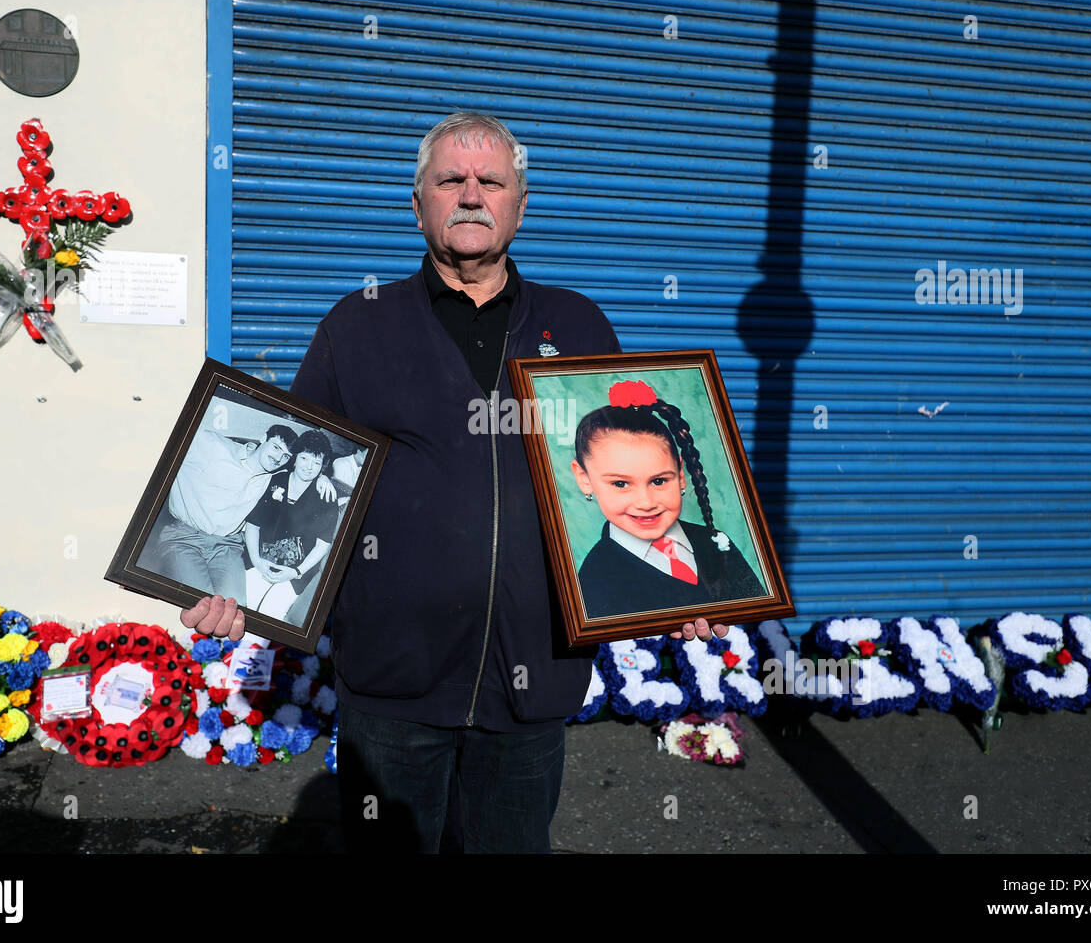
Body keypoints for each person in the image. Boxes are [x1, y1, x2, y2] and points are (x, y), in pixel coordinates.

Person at [181, 111, 727, 853]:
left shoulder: (579, 326)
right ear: (418, 203)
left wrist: (680, 593)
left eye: (491, 182)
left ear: (519, 206)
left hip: (532, 683)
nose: (471, 195)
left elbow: (621, 478)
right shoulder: (357, 325)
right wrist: (239, 588)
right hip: (393, 688)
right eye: (451, 180)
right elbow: (295, 478)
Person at [570, 379, 766, 619]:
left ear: (681, 475)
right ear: (584, 479)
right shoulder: (595, 577)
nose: (646, 502)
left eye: (659, 481)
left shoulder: (715, 543)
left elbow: (761, 624)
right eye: (620, 484)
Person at [141, 423, 299, 604]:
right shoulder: (212, 446)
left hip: (227, 546)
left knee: (235, 610)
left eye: (286, 455)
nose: (278, 458)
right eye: (276, 447)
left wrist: (324, 480)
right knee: (202, 605)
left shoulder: (274, 476)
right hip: (184, 537)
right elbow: (163, 432)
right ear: (263, 438)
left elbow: (305, 474)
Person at [242, 429, 339, 627]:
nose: (309, 467)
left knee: (272, 614)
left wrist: (295, 572)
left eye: (317, 463)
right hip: (259, 558)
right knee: (244, 604)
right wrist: (257, 561)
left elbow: (323, 545)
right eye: (304, 458)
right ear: (294, 458)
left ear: (322, 468)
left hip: (297, 570)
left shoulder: (326, 497)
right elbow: (253, 525)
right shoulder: (275, 481)